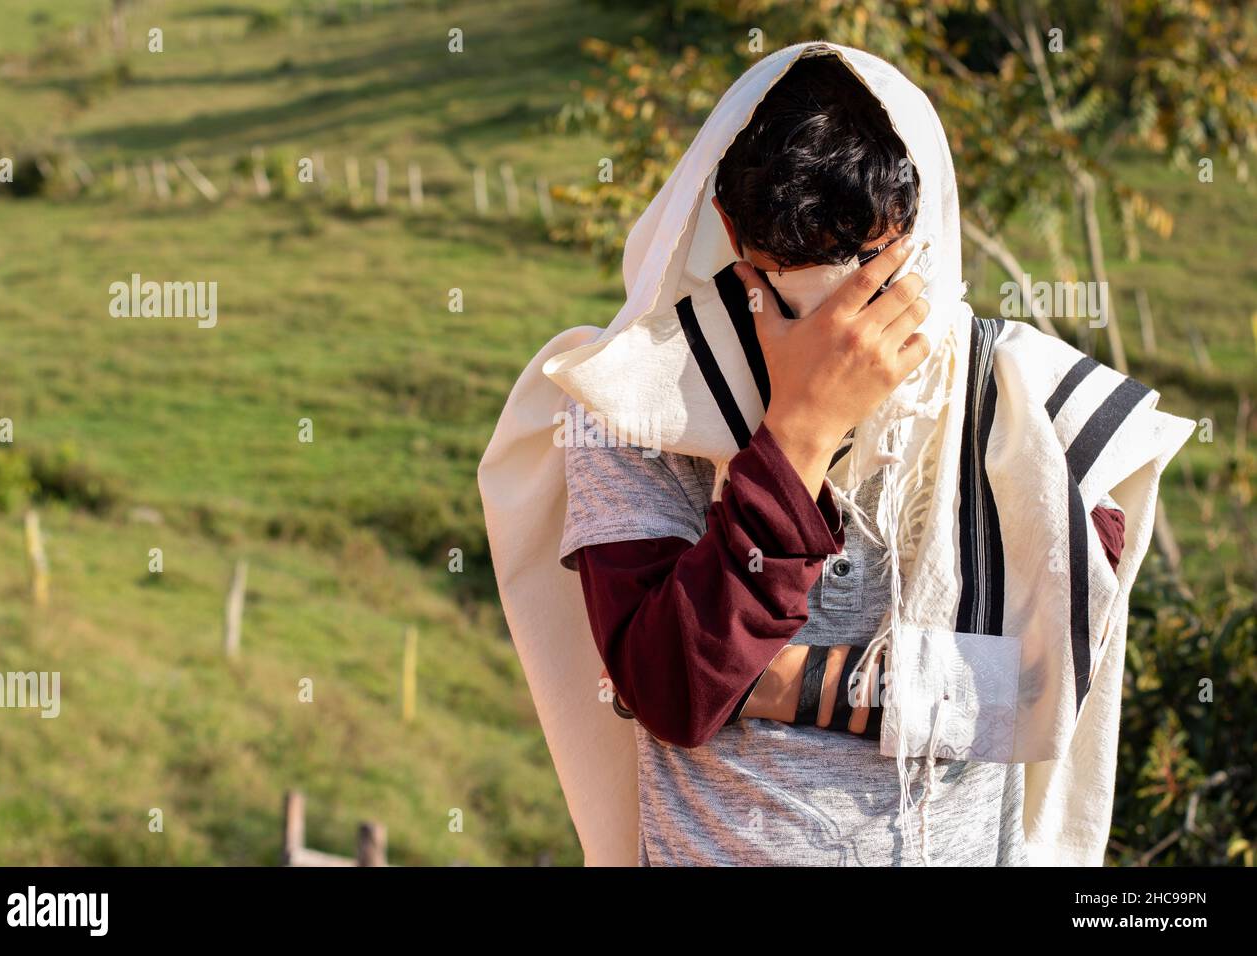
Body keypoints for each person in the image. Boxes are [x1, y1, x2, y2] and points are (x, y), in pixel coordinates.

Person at [479, 42, 1194, 867]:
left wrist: (775, 680)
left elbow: (1037, 689)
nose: (839, 324)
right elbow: (671, 686)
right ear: (726, 225)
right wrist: (799, 436)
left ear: (920, 228)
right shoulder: (635, 399)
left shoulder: (1025, 407)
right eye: (796, 282)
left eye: (871, 275)